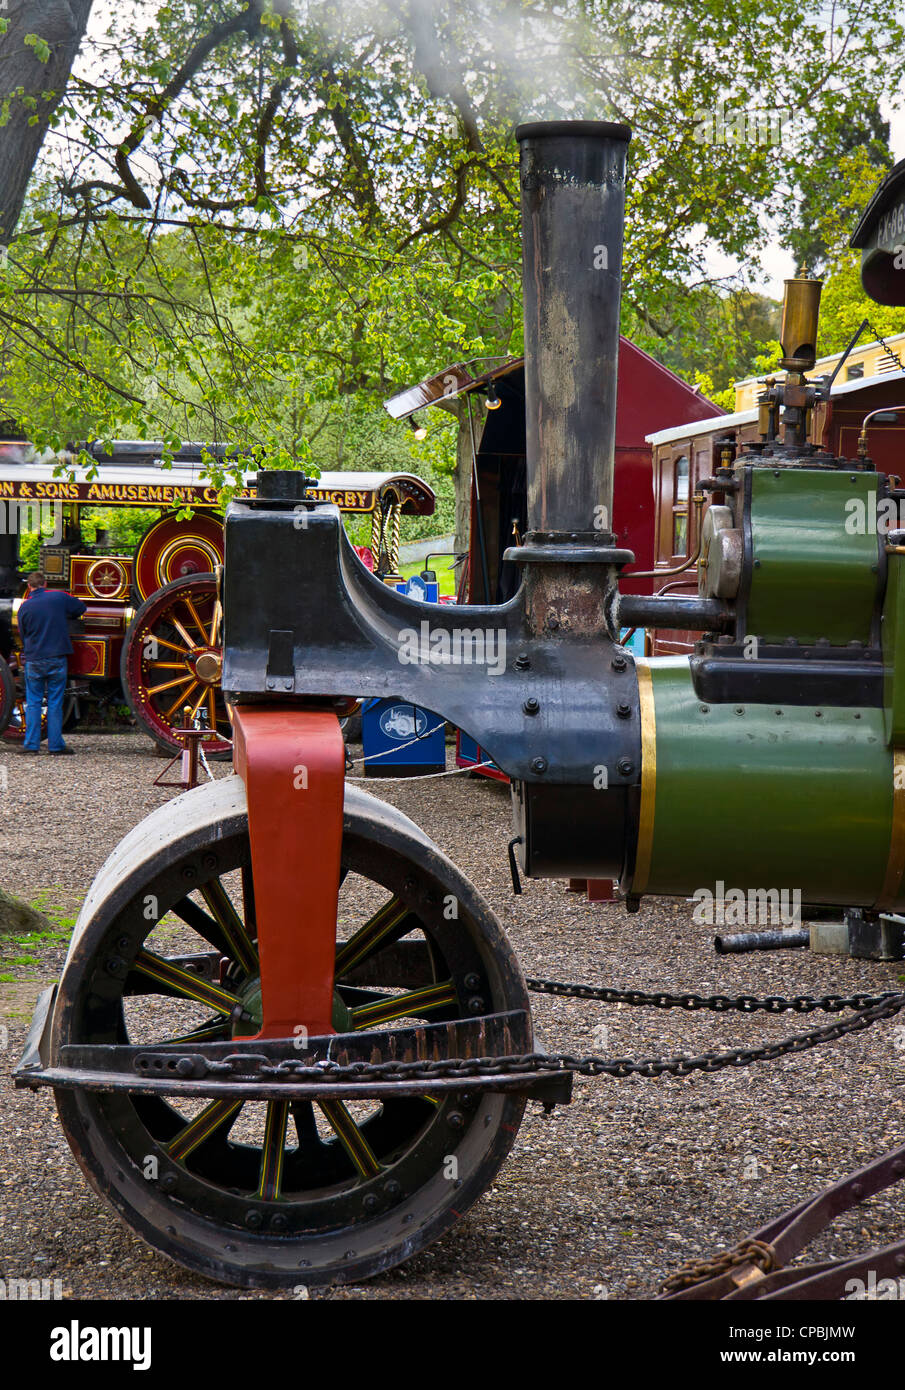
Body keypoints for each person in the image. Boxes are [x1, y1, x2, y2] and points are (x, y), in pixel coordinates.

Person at [17, 571, 86, 755]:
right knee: (55, 702)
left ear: (29, 587)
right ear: (45, 584)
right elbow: (81, 608)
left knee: (34, 702)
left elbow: (22, 635)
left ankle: (31, 745)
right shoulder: (59, 597)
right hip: (57, 657)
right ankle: (55, 746)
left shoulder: (24, 607)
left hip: (35, 659)